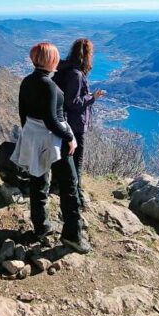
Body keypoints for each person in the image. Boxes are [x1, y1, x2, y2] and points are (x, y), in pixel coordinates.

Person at [12, 42, 91, 254]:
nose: (59, 60)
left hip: (34, 136)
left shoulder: (27, 81)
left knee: (38, 181)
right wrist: (69, 138)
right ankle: (72, 235)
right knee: (70, 185)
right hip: (53, 139)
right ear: (50, 60)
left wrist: (31, 137)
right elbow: (52, 120)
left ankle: (41, 227)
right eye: (55, 57)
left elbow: (23, 114)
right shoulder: (47, 84)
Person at [53, 39, 105, 209]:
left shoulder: (66, 69)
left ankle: (64, 189)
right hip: (74, 125)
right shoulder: (75, 74)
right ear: (87, 55)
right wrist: (92, 98)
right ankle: (77, 195)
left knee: (66, 158)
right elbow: (73, 102)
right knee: (77, 160)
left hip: (66, 123)